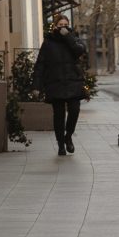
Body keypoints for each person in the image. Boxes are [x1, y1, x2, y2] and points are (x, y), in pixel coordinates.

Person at [33, 14, 88, 156]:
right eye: (60, 25)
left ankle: (68, 136)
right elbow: (40, 65)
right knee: (58, 116)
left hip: (72, 82)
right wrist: (36, 86)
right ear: (55, 26)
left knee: (74, 110)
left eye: (65, 25)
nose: (63, 27)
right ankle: (60, 145)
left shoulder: (73, 38)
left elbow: (80, 50)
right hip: (55, 82)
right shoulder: (48, 42)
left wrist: (67, 37)